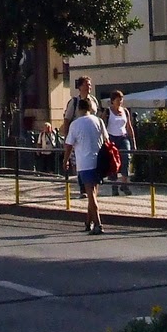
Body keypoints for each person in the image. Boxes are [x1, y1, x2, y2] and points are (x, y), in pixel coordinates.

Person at [63, 95, 107, 234]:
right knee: (94, 192)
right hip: (99, 162)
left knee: (91, 195)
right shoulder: (98, 121)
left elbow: (69, 145)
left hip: (85, 163)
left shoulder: (75, 124)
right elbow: (106, 139)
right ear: (90, 108)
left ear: (79, 110)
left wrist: (65, 160)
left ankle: (98, 224)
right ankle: (88, 222)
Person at [104, 91, 137, 196]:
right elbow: (101, 125)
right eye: (118, 100)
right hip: (111, 137)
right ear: (112, 101)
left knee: (126, 158)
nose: (120, 102)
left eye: (121, 100)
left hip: (123, 137)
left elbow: (129, 126)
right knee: (113, 162)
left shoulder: (125, 111)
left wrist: (133, 141)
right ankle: (114, 185)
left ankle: (124, 183)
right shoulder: (108, 112)